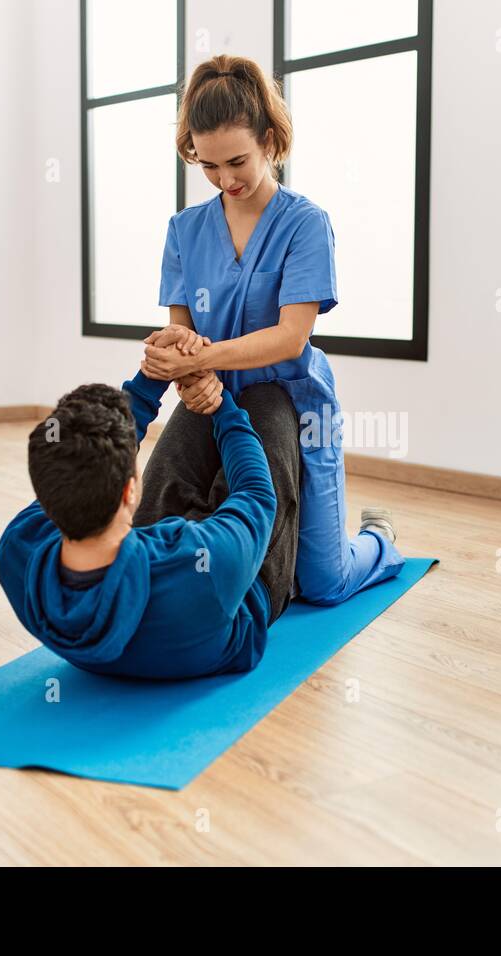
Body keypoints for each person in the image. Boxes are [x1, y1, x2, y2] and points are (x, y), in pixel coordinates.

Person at [139, 53, 404, 607]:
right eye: (209, 166)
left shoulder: (305, 223)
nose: (225, 179)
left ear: (268, 139)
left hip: (293, 401)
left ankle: (378, 537)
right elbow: (182, 331)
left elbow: (290, 339)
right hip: (213, 396)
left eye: (236, 160)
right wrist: (184, 366)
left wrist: (197, 362)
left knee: (323, 585)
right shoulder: (184, 229)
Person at [0, 344, 302, 679]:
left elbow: (93, 451)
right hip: (234, 589)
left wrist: (158, 372)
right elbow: (256, 494)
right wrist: (225, 410)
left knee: (194, 406)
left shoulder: (18, 550)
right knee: (267, 398)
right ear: (129, 492)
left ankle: (211, 398)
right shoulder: (206, 567)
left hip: (173, 569)